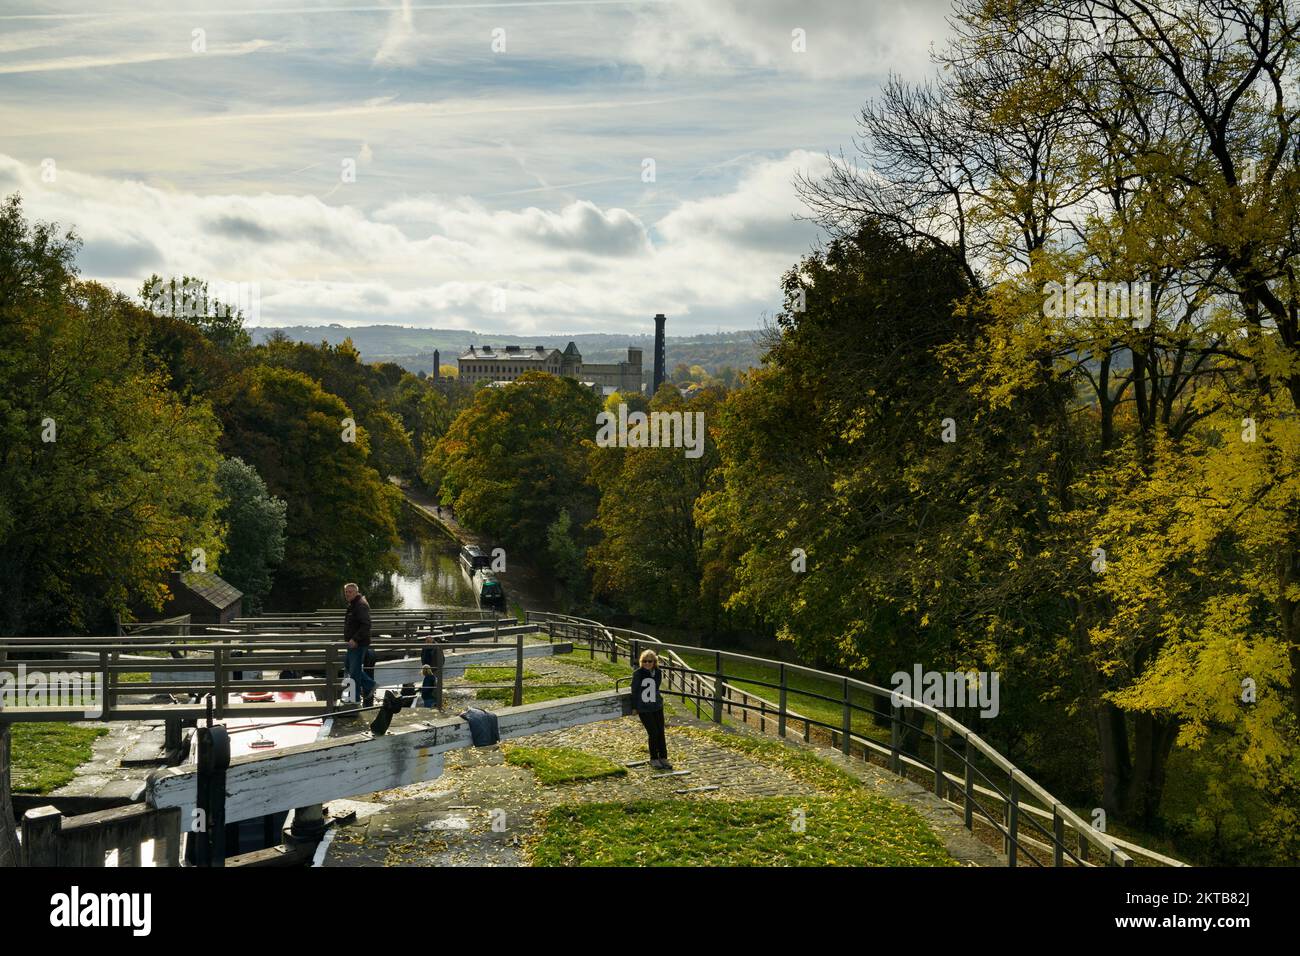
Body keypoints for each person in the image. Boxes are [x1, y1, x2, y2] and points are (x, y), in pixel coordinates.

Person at [632, 649, 671, 769]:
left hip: (656, 706)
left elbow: (656, 688)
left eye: (650, 661)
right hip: (644, 708)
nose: (647, 664)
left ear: (654, 662)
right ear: (641, 661)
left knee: (660, 732)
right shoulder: (638, 673)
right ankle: (654, 758)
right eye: (645, 661)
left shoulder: (658, 672)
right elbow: (635, 691)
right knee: (653, 732)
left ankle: (663, 757)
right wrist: (634, 707)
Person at [342, 583, 376, 707]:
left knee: (354, 672)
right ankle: (370, 684)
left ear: (356, 592)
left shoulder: (360, 605)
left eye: (350, 592)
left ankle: (355, 700)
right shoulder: (353, 605)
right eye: (346, 592)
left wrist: (355, 639)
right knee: (348, 666)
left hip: (358, 644)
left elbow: (366, 625)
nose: (347, 594)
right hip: (353, 644)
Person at [418, 634, 445, 708]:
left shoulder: (437, 647)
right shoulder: (425, 646)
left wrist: (436, 668)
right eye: (426, 640)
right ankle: (435, 701)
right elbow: (423, 656)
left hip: (434, 669)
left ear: (432, 640)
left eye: (428, 640)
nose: (426, 641)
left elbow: (441, 659)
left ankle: (436, 701)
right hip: (428, 668)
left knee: (433, 685)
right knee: (431, 685)